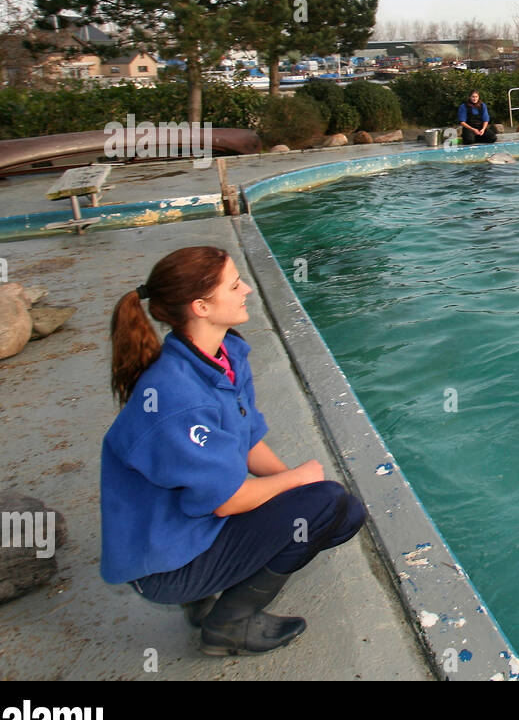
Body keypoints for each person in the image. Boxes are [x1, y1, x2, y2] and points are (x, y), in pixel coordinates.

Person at [101, 246, 366, 656]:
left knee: (340, 511)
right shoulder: (177, 395)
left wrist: (300, 492)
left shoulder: (225, 354)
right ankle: (227, 625)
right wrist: (298, 482)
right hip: (166, 565)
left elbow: (246, 441)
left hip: (193, 527)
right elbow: (226, 501)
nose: (248, 290)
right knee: (326, 503)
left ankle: (206, 597)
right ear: (201, 306)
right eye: (234, 284)